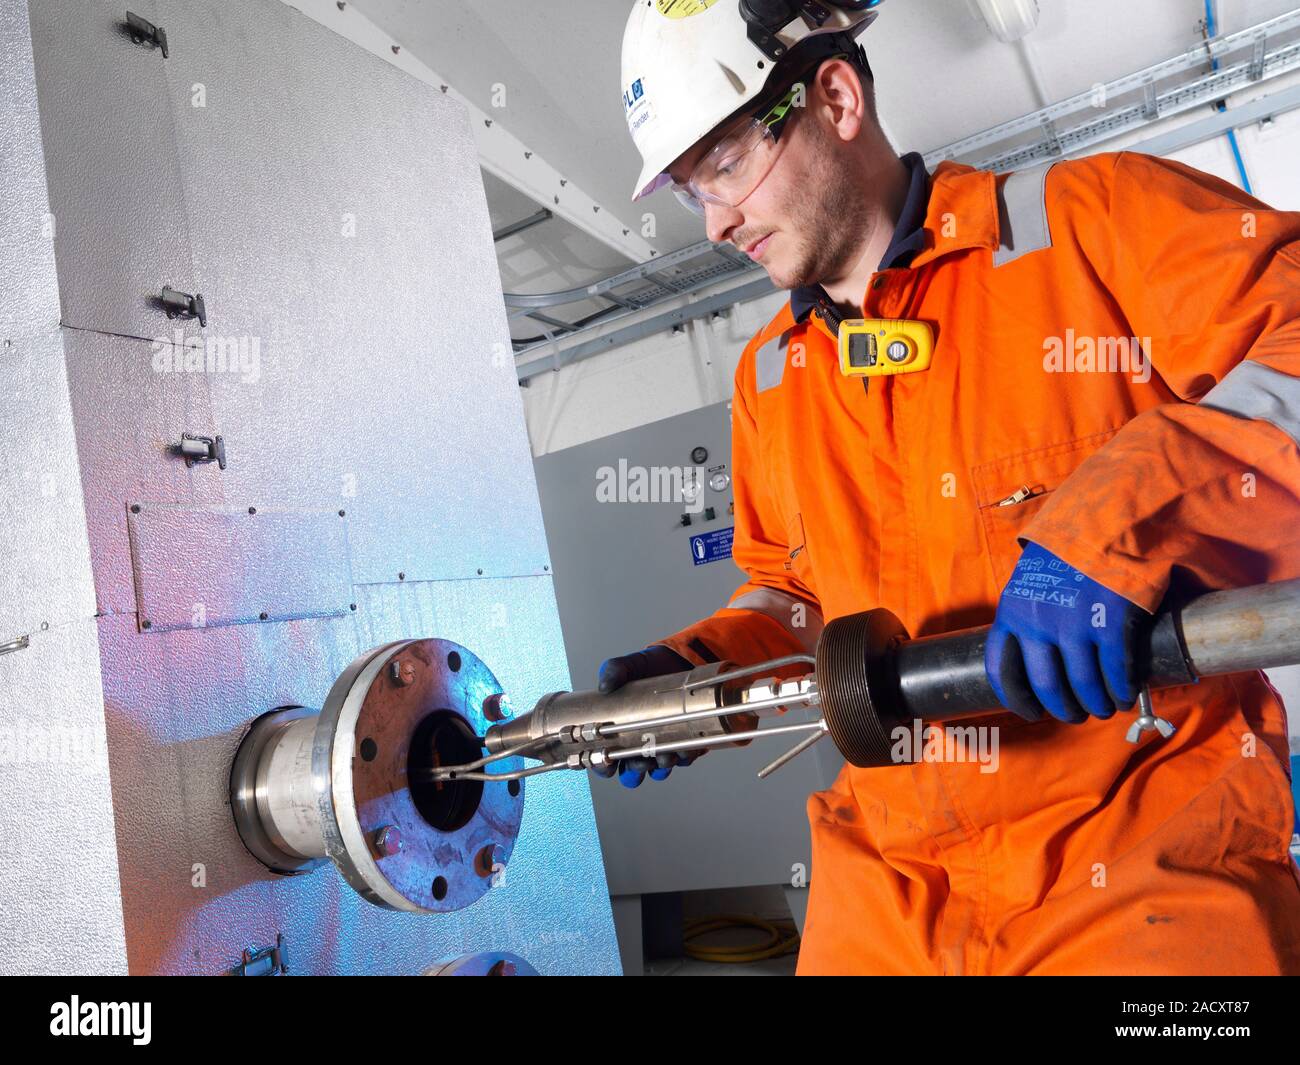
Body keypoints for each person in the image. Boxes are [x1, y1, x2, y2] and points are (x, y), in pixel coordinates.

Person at [596, 0, 1300, 975]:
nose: (714, 222)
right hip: (887, 888)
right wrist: (702, 669)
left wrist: (1121, 526)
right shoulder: (769, 377)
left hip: (1138, 863)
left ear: (834, 98)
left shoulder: (1081, 228)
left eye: (721, 164)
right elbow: (796, 600)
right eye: (687, 189)